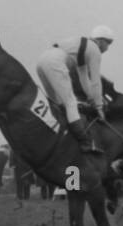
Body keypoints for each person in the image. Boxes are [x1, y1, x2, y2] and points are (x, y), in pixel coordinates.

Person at [37, 25, 113, 154]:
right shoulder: (94, 50)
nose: (108, 47)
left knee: (57, 104)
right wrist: (99, 107)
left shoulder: (82, 47)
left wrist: (90, 97)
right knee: (71, 102)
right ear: (100, 41)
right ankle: (85, 143)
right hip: (55, 61)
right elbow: (96, 81)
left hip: (42, 61)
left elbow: (84, 78)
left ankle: (56, 137)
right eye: (108, 43)